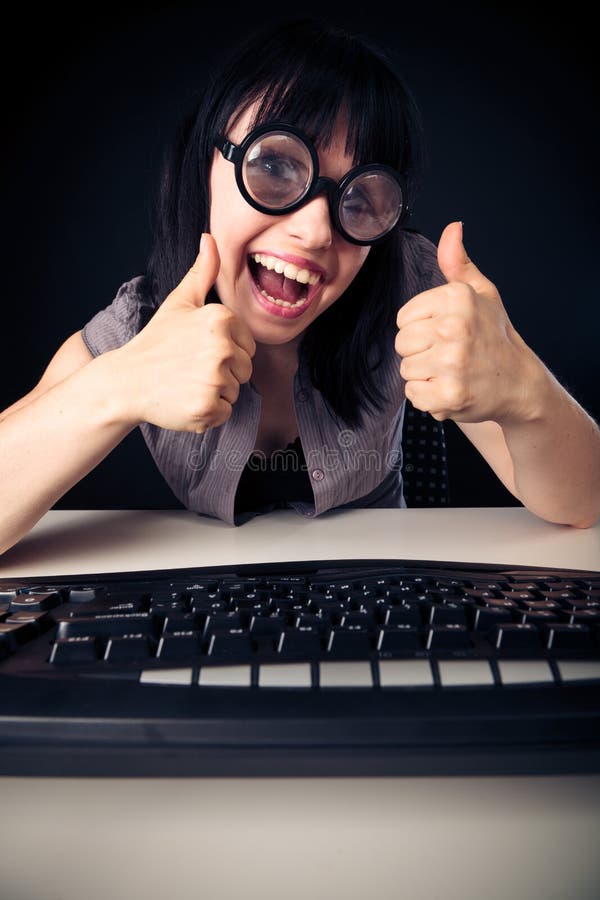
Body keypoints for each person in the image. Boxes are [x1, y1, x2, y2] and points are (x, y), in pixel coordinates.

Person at [1, 17, 599, 555]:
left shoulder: (415, 288)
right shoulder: (139, 325)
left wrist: (527, 392)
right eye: (275, 165)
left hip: (383, 594)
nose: (315, 231)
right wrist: (118, 386)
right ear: (205, 164)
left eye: (360, 198)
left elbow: (584, 506)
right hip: (209, 605)